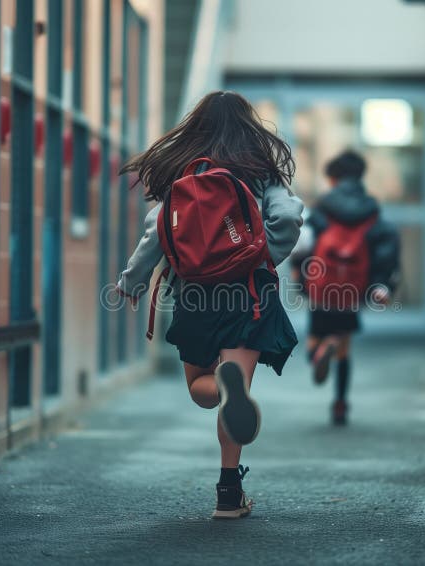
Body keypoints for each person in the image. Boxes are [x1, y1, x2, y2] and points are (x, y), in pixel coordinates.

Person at [115, 91, 304, 519]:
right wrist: (261, 257)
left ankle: (221, 383)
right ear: (248, 127)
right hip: (249, 292)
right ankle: (228, 494)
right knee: (238, 393)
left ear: (195, 128)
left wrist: (132, 282)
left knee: (201, 390)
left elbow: (155, 234)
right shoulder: (260, 170)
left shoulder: (181, 172)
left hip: (195, 293)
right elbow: (288, 218)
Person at [291, 150, 400, 426]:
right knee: (344, 348)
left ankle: (322, 348)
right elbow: (385, 249)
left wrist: (298, 275)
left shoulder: (323, 208)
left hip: (322, 285)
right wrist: (382, 285)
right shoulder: (371, 210)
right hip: (353, 286)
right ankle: (340, 404)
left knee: (314, 340)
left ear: (333, 178)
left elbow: (303, 244)